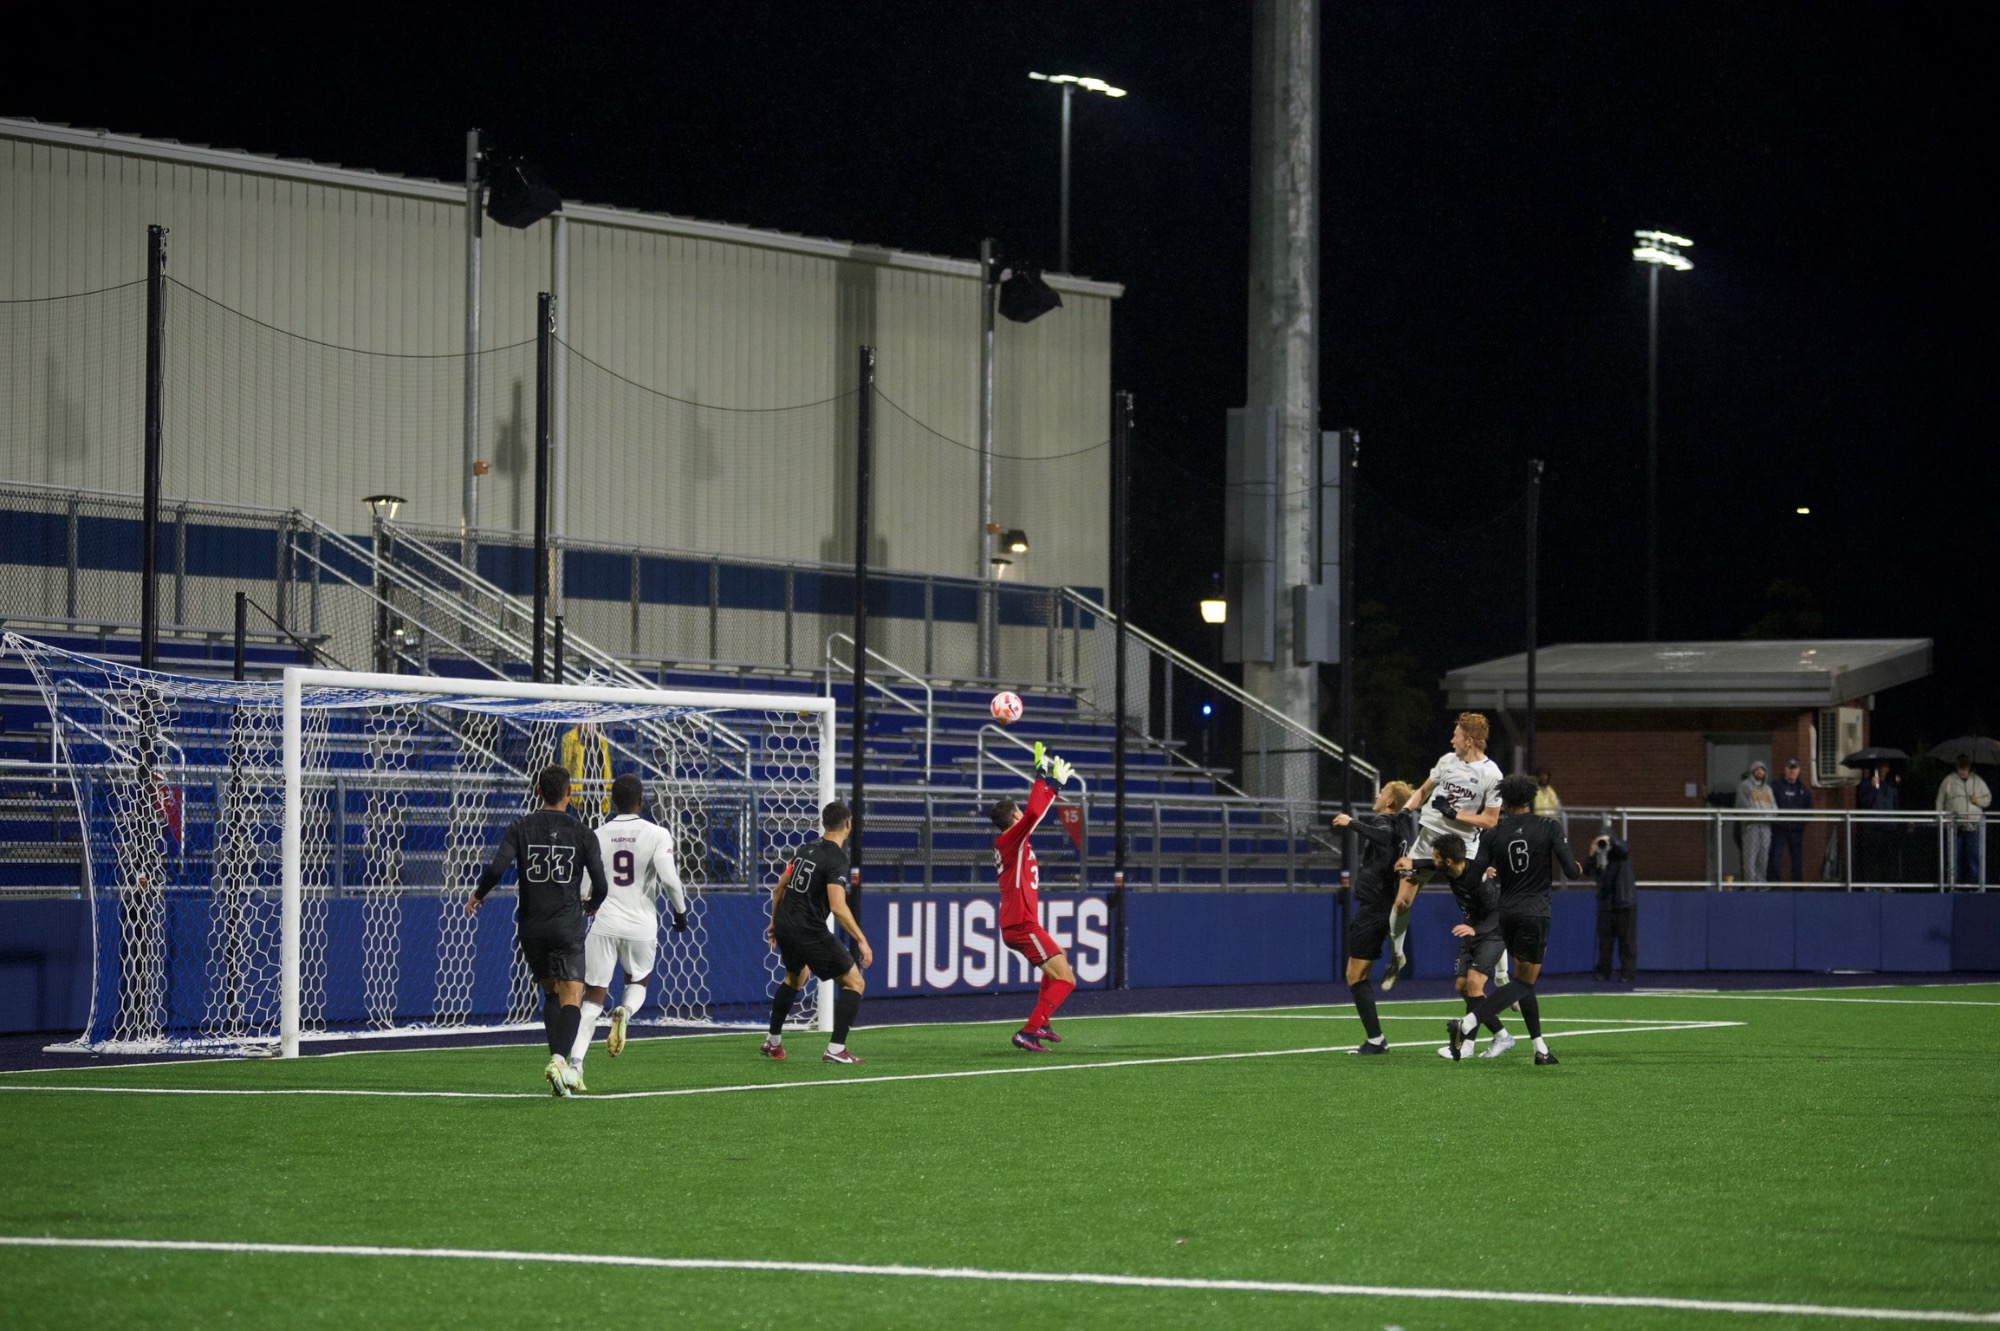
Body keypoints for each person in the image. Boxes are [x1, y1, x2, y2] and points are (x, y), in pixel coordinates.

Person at [466, 765, 609, 1097]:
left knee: (550, 994)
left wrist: (478, 895)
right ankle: (561, 1061)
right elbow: (601, 884)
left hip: (531, 927)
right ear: (570, 793)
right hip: (567, 924)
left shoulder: (520, 827)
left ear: (538, 792)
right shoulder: (583, 833)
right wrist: (593, 903)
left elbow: (496, 868)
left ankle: (557, 1069)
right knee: (573, 994)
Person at [1448, 775, 1583, 1065]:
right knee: (1523, 982)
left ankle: (1541, 1049)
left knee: (1524, 981)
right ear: (1530, 799)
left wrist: (1488, 871)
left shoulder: (1493, 833)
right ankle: (1468, 1023)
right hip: (1535, 912)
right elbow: (1571, 871)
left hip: (1506, 914)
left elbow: (1471, 879)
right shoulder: (1548, 826)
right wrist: (1581, 868)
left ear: (1505, 802)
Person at [567, 774, 690, 1088]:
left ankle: (576, 1064)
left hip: (604, 923)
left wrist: (588, 902)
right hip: (641, 925)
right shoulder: (657, 833)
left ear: (611, 801)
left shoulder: (596, 834)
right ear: (641, 801)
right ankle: (625, 1010)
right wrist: (680, 912)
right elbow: (669, 880)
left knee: (592, 997)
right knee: (638, 979)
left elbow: (584, 884)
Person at [1384, 712, 1504, 990]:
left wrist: (1455, 814)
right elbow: (1424, 790)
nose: (1452, 740)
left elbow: (1490, 820)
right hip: (1428, 839)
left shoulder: (1491, 774)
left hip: (1463, 849)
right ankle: (1398, 956)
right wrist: (1405, 811)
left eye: (1457, 736)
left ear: (1470, 740)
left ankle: (1501, 972)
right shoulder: (1447, 761)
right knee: (1401, 902)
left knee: (1484, 909)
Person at [761, 801, 872, 1064]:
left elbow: (778, 889)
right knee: (855, 983)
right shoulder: (836, 859)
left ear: (823, 824)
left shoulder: (804, 849)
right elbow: (837, 906)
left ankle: (772, 1042)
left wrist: (775, 922)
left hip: (787, 922)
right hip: (807, 928)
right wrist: (861, 939)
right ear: (848, 824)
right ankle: (836, 1049)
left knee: (795, 977)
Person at [991, 743, 1080, 1052]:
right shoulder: (1010, 840)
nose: (1022, 813)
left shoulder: (1013, 841)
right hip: (1021, 924)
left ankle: (1041, 1023)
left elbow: (1033, 814)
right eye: (1018, 810)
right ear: (1012, 815)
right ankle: (1029, 1030)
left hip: (1020, 922)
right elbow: (1034, 813)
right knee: (1066, 979)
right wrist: (1044, 779)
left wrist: (1048, 784)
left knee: (1059, 963)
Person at [1330, 780, 1416, 1055]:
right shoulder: (1404, 824)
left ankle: (1376, 1040)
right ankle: (1396, 953)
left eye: (1382, 793)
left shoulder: (1384, 821)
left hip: (1375, 905)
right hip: (1385, 904)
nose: (1377, 796)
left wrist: (1350, 823)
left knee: (1354, 974)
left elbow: (1382, 837)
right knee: (1359, 973)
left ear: (1390, 802)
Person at [1937, 755, 1992, 886]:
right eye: (1960, 766)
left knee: (1973, 860)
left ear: (1969, 767)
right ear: (1956, 766)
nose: (1963, 769)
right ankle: (1953, 886)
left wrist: (1977, 800)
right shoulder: (1949, 781)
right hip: (1954, 826)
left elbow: (1988, 799)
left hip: (1973, 827)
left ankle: (1974, 888)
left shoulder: (1977, 781)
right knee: (1953, 860)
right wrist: (1941, 819)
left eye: (1965, 766)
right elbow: (1940, 800)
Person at [1591, 833, 1637, 982]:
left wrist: (1610, 840)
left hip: (1624, 902)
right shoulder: (1599, 856)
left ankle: (1627, 973)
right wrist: (1592, 852)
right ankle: (1604, 971)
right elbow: (1587, 869)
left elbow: (1623, 849)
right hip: (1606, 904)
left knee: (1627, 941)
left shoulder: (1620, 851)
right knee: (1605, 942)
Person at [1854, 763, 1902, 884]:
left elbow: (1895, 805)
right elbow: (1864, 803)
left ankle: (1887, 884)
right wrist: (1873, 788)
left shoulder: (1891, 786)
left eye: (1885, 766)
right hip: (1872, 828)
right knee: (1871, 859)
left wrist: (1897, 823)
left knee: (1888, 859)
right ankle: (1870, 884)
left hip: (1889, 828)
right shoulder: (1865, 784)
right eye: (1880, 767)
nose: (1882, 769)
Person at [559, 721, 614, 824]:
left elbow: (606, 767)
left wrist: (607, 789)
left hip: (599, 794)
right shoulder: (570, 738)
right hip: (579, 794)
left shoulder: (601, 741)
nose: (589, 723)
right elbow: (566, 765)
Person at [1770, 758, 1813, 882]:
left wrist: (1801, 823)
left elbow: (1809, 808)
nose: (1792, 771)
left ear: (1798, 771)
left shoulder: (1803, 789)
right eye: (1790, 768)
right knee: (1775, 856)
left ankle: (1797, 885)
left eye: (1794, 769)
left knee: (1797, 858)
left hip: (1796, 830)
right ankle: (1774, 884)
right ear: (1785, 769)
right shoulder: (1775, 786)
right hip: (1779, 829)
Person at [1735, 761, 1775, 885]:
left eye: (1762, 769)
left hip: (1765, 826)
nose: (1759, 772)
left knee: (1763, 856)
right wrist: (1755, 815)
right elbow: (1742, 805)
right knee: (1750, 856)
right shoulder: (1745, 786)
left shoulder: (1767, 789)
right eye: (1757, 769)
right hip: (1751, 826)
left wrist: (1770, 816)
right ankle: (1750, 885)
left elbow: (1774, 807)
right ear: (1753, 772)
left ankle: (1762, 884)